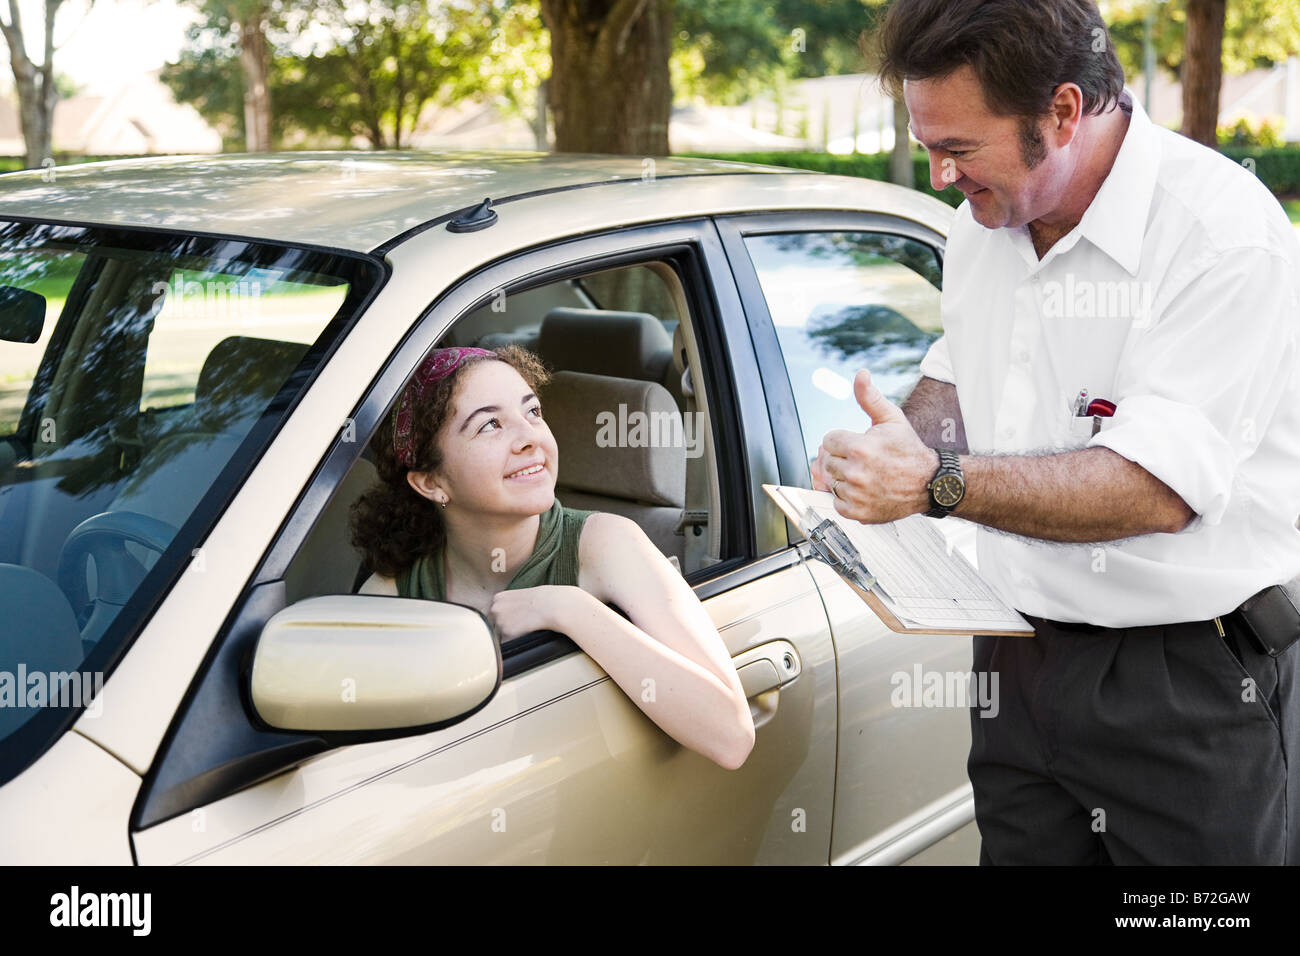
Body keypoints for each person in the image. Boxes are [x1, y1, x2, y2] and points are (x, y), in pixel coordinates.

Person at [810, 0, 1300, 863]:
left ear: (1064, 112)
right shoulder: (983, 222)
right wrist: (905, 439)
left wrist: (936, 483)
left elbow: (1153, 489)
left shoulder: (1222, 237)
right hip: (1019, 659)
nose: (938, 177)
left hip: (1187, 682)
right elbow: (961, 371)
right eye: (929, 144)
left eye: (958, 148)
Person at [349, 343, 755, 771]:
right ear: (431, 482)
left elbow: (730, 735)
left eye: (533, 412)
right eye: (490, 425)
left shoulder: (606, 543)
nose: (530, 438)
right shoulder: (391, 592)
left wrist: (569, 609)